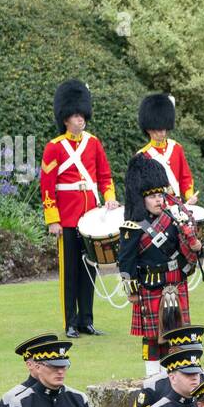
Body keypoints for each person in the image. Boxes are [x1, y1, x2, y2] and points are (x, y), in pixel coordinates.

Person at [41, 79, 117, 338]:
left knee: (89, 272)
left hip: (92, 218)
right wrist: (53, 220)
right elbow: (47, 187)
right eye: (75, 115)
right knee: (70, 273)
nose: (80, 119)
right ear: (65, 119)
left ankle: (87, 319)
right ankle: (70, 322)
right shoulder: (54, 147)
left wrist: (109, 197)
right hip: (68, 218)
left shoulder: (94, 143)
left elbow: (105, 177)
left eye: (82, 114)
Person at [118, 154, 202, 375]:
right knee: (153, 336)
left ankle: (178, 373)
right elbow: (126, 262)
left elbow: (185, 251)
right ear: (141, 199)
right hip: (150, 286)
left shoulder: (173, 219)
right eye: (152, 196)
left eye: (160, 195)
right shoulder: (133, 226)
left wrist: (192, 242)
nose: (158, 200)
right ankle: (153, 375)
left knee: (179, 333)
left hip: (176, 282)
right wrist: (132, 292)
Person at [136, 93, 196, 203]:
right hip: (156, 209)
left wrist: (189, 195)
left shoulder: (176, 148)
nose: (163, 133)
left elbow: (186, 177)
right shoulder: (142, 155)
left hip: (178, 207)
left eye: (165, 129)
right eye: (159, 130)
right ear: (149, 129)